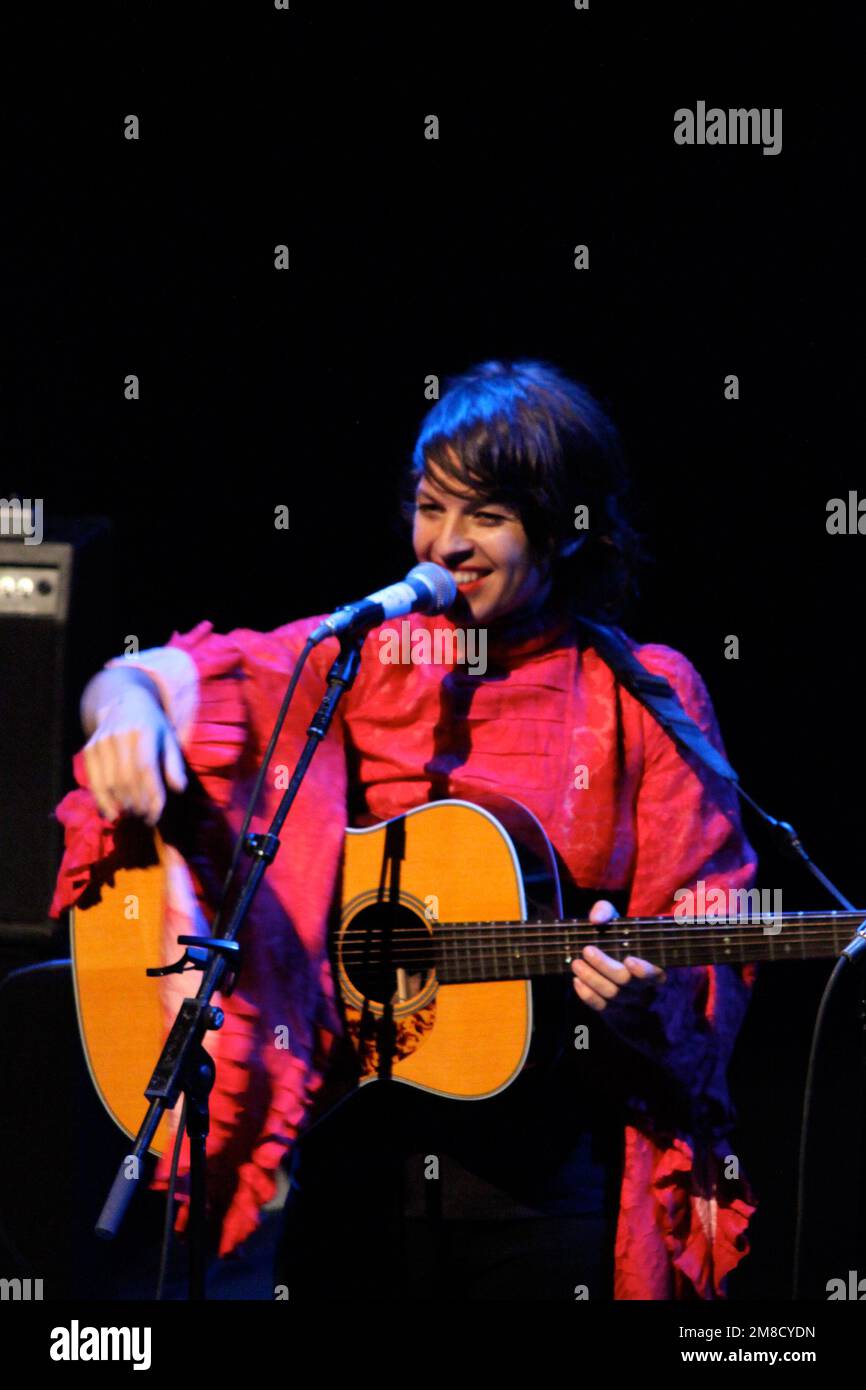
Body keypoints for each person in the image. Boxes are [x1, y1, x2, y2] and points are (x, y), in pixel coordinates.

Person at [51, 360, 758, 1300]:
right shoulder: (365, 660)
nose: (446, 544)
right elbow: (159, 676)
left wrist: (644, 1003)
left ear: (563, 533)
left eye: (489, 517)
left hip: (548, 1196)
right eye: (432, 507)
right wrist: (130, 710)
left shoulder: (641, 699)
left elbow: (707, 920)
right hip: (353, 1168)